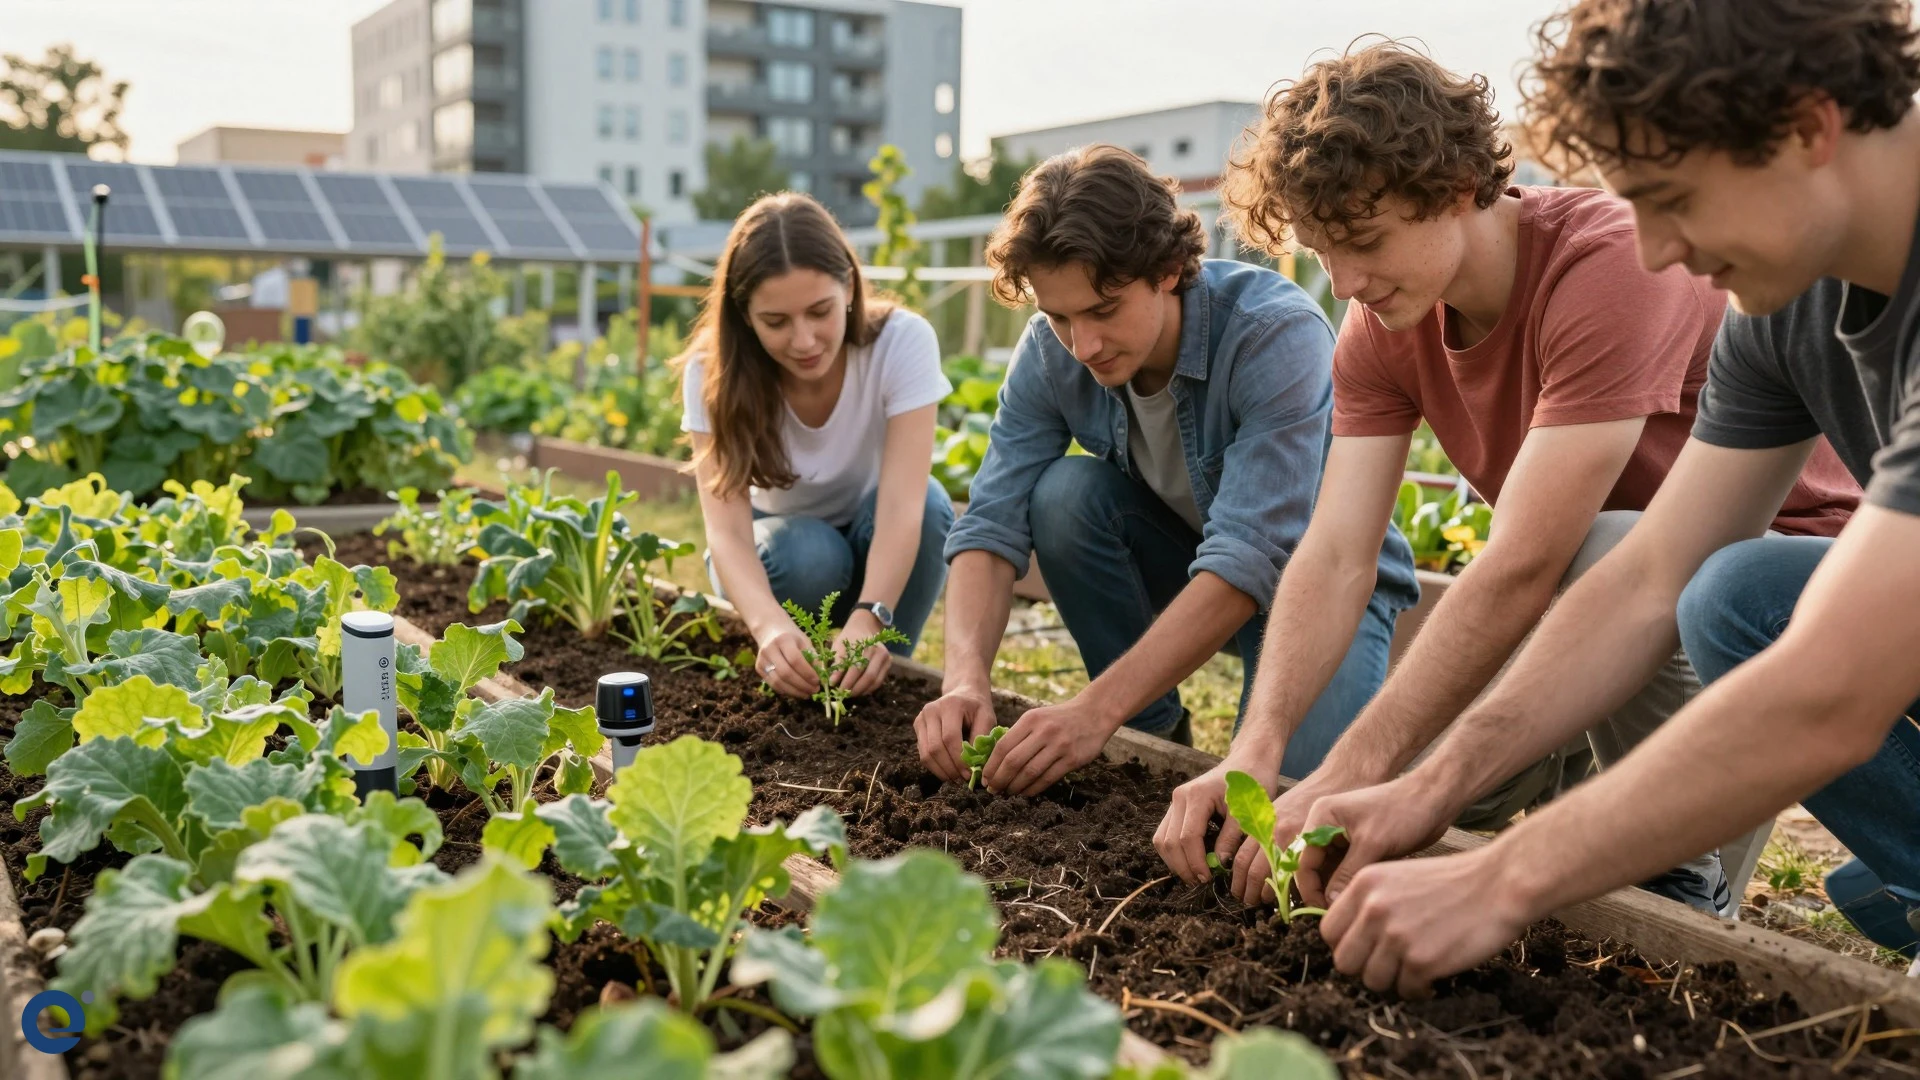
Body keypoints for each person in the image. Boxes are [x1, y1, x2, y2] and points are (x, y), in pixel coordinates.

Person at [1298, 0, 1920, 997]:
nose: (1657, 248)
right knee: (1733, 594)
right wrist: (1426, 789)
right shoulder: (1781, 307)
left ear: (1809, 128)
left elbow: (1835, 689)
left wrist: (1504, 875)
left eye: (1670, 197)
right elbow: (1646, 580)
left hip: (1872, 635)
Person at [1152, 43, 1859, 916]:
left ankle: (1678, 872)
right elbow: (1336, 551)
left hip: (1773, 587)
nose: (1346, 284)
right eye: (1322, 254)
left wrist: (1355, 769)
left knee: (1611, 542)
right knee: (1397, 785)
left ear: (1453, 191)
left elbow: (1529, 559)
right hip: (1595, 603)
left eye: (1365, 243)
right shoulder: (1380, 323)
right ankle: (1587, 814)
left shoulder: (1608, 263)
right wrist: (1259, 750)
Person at [915, 145, 1418, 795]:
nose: (1083, 345)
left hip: (1331, 592)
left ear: (1170, 269)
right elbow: (990, 523)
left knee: (1273, 803)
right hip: (1192, 568)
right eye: (1059, 315)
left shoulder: (1272, 333)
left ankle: (1120, 721)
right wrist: (963, 680)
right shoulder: (1051, 351)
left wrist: (1092, 710)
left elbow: (1249, 558)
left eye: (1103, 310)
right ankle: (1149, 737)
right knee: (1065, 496)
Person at [679, 192, 954, 703]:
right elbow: (727, 533)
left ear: (849, 286)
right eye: (776, 322)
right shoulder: (709, 372)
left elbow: (901, 507)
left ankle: (882, 673)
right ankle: (794, 668)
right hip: (780, 553)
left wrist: (872, 617)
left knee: (936, 505)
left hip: (876, 535)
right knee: (812, 556)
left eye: (819, 312)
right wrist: (767, 627)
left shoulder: (901, 342)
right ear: (744, 316)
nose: (803, 341)